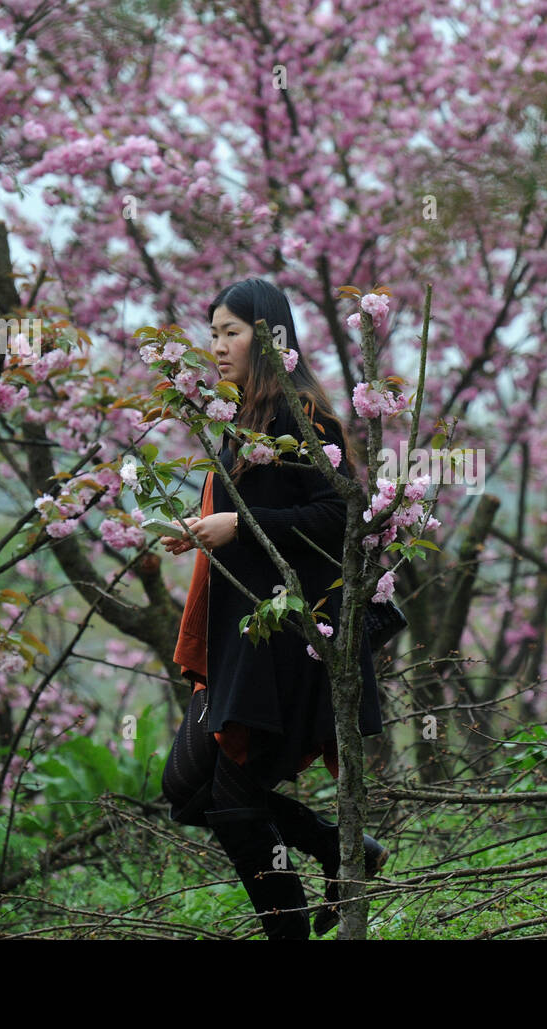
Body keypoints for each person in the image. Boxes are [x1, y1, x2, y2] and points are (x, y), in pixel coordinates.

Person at [159, 277, 387, 939]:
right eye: (213, 333)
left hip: (284, 644)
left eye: (229, 332)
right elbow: (246, 516)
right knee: (187, 791)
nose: (217, 346)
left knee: (232, 805)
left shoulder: (303, 415)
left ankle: (293, 926)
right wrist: (202, 525)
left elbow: (340, 508)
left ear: (267, 336)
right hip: (241, 645)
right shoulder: (240, 418)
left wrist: (241, 520)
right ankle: (337, 847)